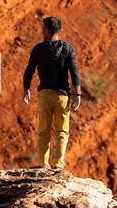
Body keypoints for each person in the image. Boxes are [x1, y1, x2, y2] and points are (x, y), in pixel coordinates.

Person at [22, 16, 81, 170]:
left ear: (47, 31)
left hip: (45, 95)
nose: (41, 30)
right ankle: (58, 165)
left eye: (43, 28)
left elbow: (29, 70)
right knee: (62, 132)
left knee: (43, 131)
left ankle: (43, 164)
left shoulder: (38, 49)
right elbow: (74, 71)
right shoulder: (67, 49)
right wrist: (77, 94)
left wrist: (26, 89)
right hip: (63, 96)